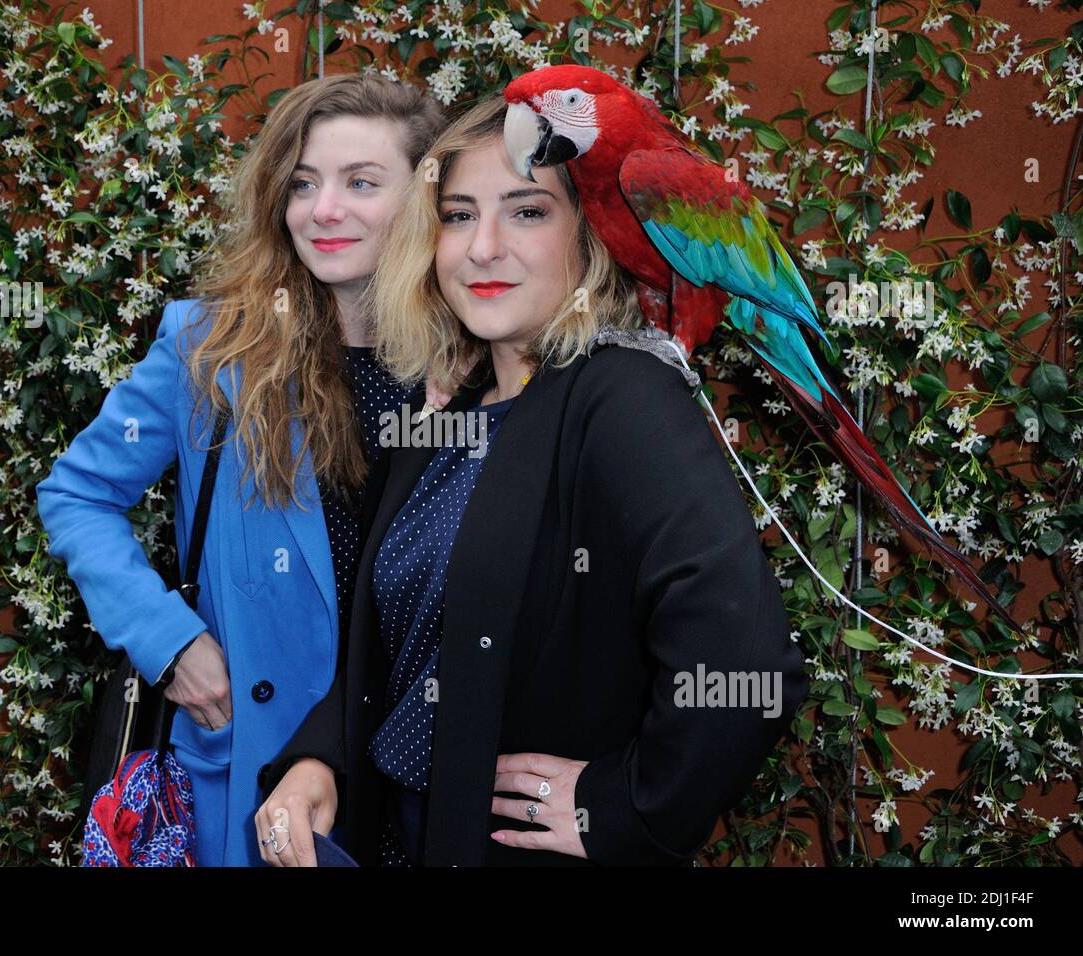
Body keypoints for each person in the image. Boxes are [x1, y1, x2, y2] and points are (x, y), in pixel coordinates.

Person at [255, 96, 809, 866]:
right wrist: (320, 759)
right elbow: (398, 644)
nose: (482, 248)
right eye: (456, 215)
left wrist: (623, 807)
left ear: (591, 236)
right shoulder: (445, 407)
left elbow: (750, 671)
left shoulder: (623, 401)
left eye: (525, 213)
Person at [36, 74, 444, 866]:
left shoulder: (473, 358)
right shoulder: (211, 346)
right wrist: (169, 641)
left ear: (425, 199)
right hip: (256, 761)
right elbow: (77, 493)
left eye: (362, 182)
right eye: (302, 184)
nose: (324, 211)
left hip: (414, 748)